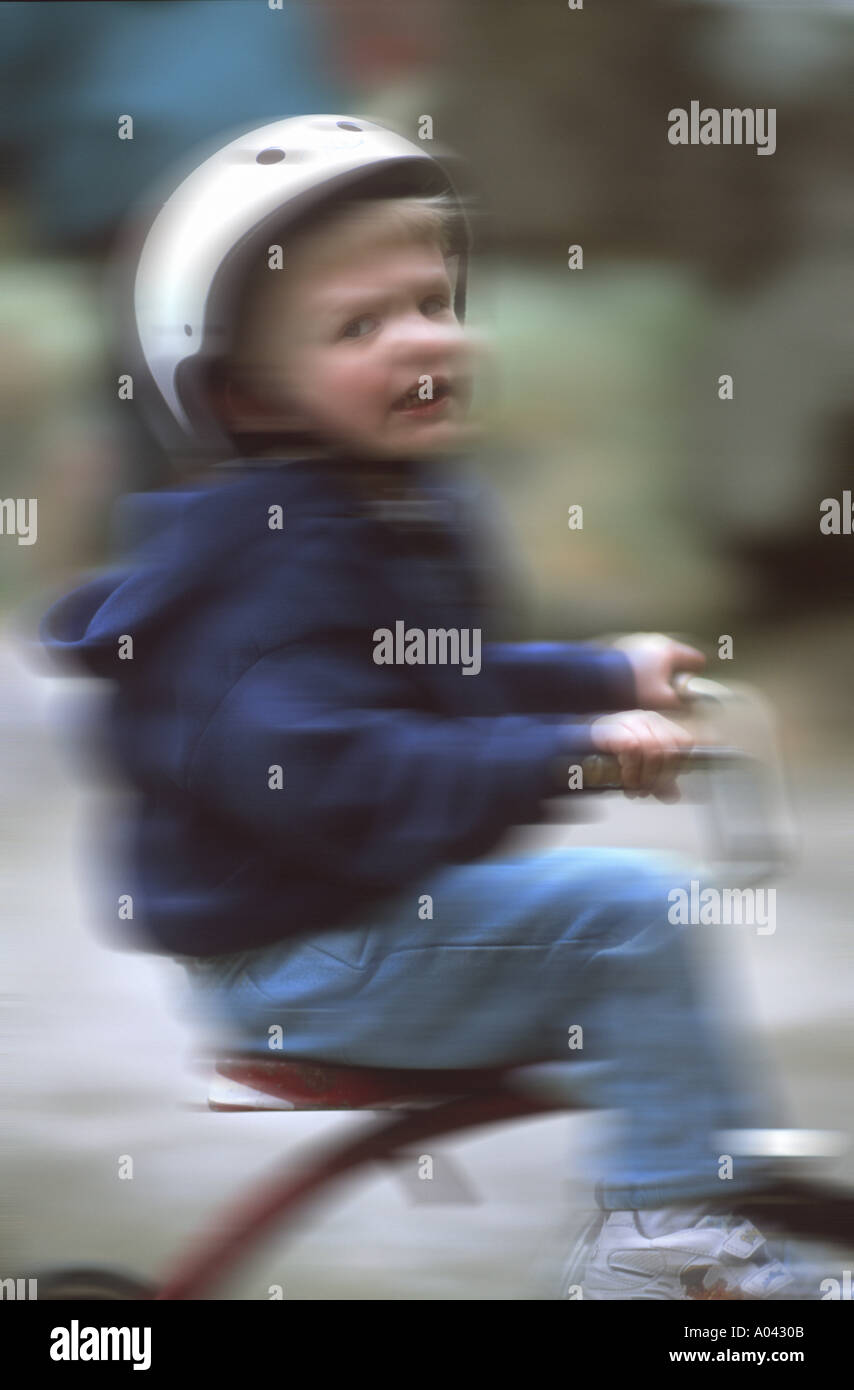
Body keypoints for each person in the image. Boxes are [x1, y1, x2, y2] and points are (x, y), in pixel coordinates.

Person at [38, 116, 814, 1299]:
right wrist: (579, 753)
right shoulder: (266, 567)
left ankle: (692, 1192)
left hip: (339, 917)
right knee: (631, 916)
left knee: (631, 940)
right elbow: (350, 772)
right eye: (360, 324)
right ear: (244, 395)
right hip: (301, 957)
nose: (423, 340)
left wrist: (602, 680)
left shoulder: (378, 508)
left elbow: (439, 675)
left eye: (433, 301)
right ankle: (667, 1256)